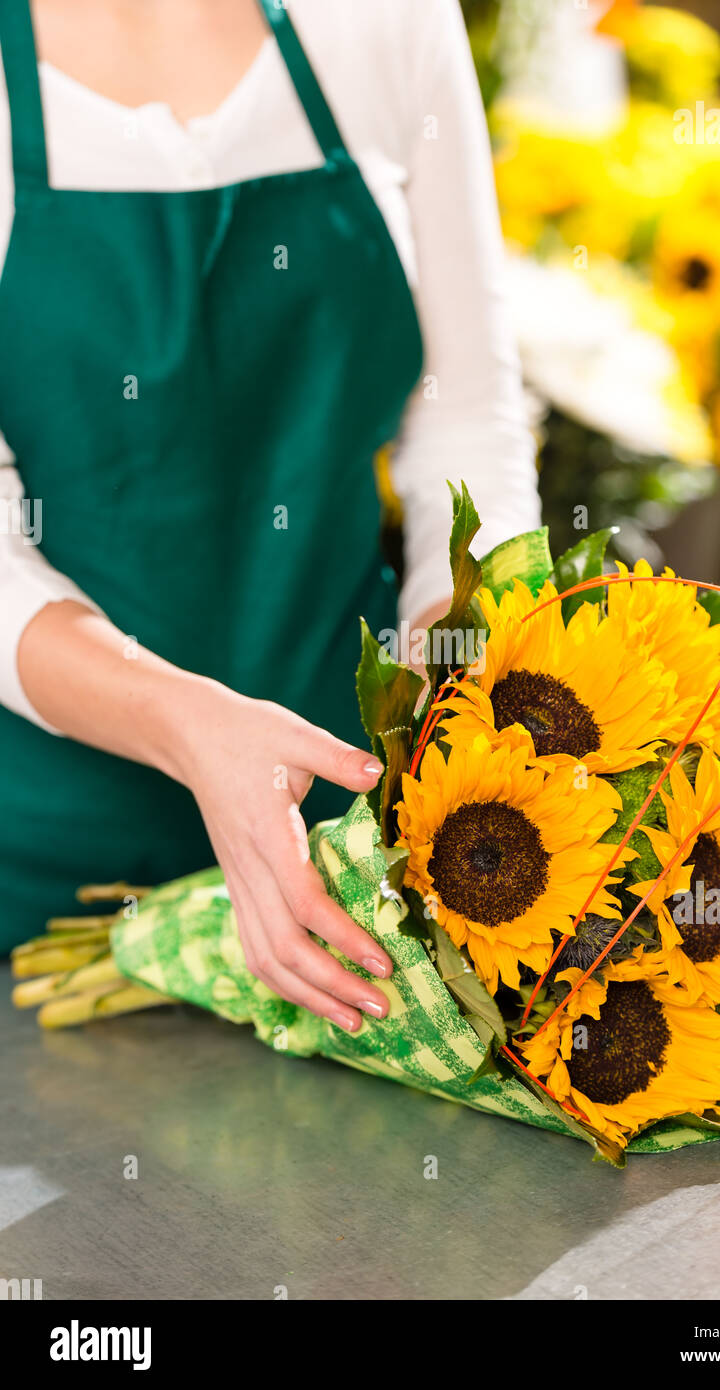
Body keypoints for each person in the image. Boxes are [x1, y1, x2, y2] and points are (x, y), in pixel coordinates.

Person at [0, 0, 540, 1031]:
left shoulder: (386, 24)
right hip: (40, 870)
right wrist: (191, 728)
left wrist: (458, 673)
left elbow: (465, 414)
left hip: (359, 863)